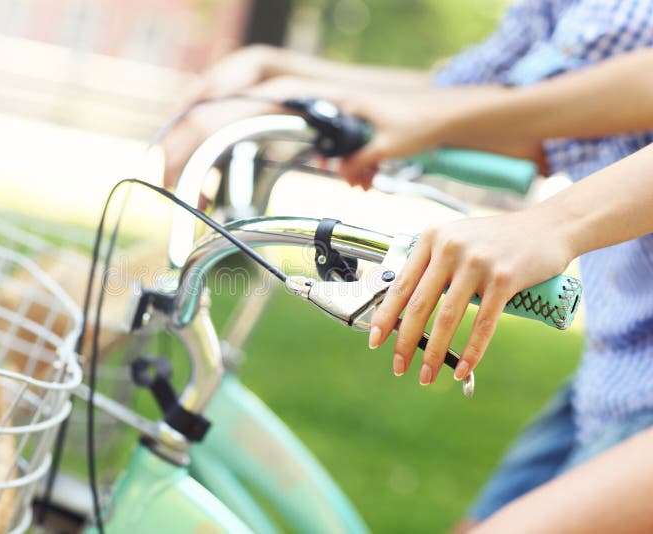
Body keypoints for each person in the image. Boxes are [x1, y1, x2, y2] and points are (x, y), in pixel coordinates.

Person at [162, 1, 653, 530]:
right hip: (617, 362)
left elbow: (522, 113)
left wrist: (553, 224)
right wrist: (280, 79)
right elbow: (475, 90)